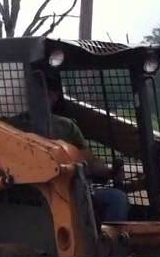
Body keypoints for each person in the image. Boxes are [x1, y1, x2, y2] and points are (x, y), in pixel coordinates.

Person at [40, 71, 130, 223]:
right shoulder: (65, 126)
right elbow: (89, 162)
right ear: (54, 96)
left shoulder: (11, 124)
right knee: (117, 198)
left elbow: (88, 162)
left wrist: (106, 172)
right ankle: (108, 243)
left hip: (39, 194)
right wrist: (110, 172)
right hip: (65, 193)